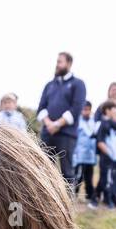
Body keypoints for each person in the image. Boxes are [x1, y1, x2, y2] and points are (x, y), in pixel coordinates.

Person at [36, 51, 87, 188]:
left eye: (60, 62)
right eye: (57, 61)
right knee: (45, 169)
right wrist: (49, 124)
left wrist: (58, 124)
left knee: (67, 172)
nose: (57, 65)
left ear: (69, 63)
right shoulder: (49, 85)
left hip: (67, 135)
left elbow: (76, 108)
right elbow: (41, 108)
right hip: (47, 133)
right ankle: (47, 201)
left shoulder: (78, 84)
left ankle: (68, 204)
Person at [94, 100, 116, 208]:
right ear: (107, 110)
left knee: (110, 179)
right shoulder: (103, 124)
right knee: (107, 179)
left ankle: (97, 198)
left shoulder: (113, 123)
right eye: (113, 109)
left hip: (115, 158)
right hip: (106, 158)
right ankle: (106, 200)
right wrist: (110, 154)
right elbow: (100, 143)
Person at [72, 100, 98, 204]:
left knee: (89, 177)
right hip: (80, 155)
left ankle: (90, 196)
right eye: (84, 110)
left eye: (88, 110)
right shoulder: (78, 121)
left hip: (90, 156)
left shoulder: (93, 121)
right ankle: (73, 196)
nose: (86, 112)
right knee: (78, 177)